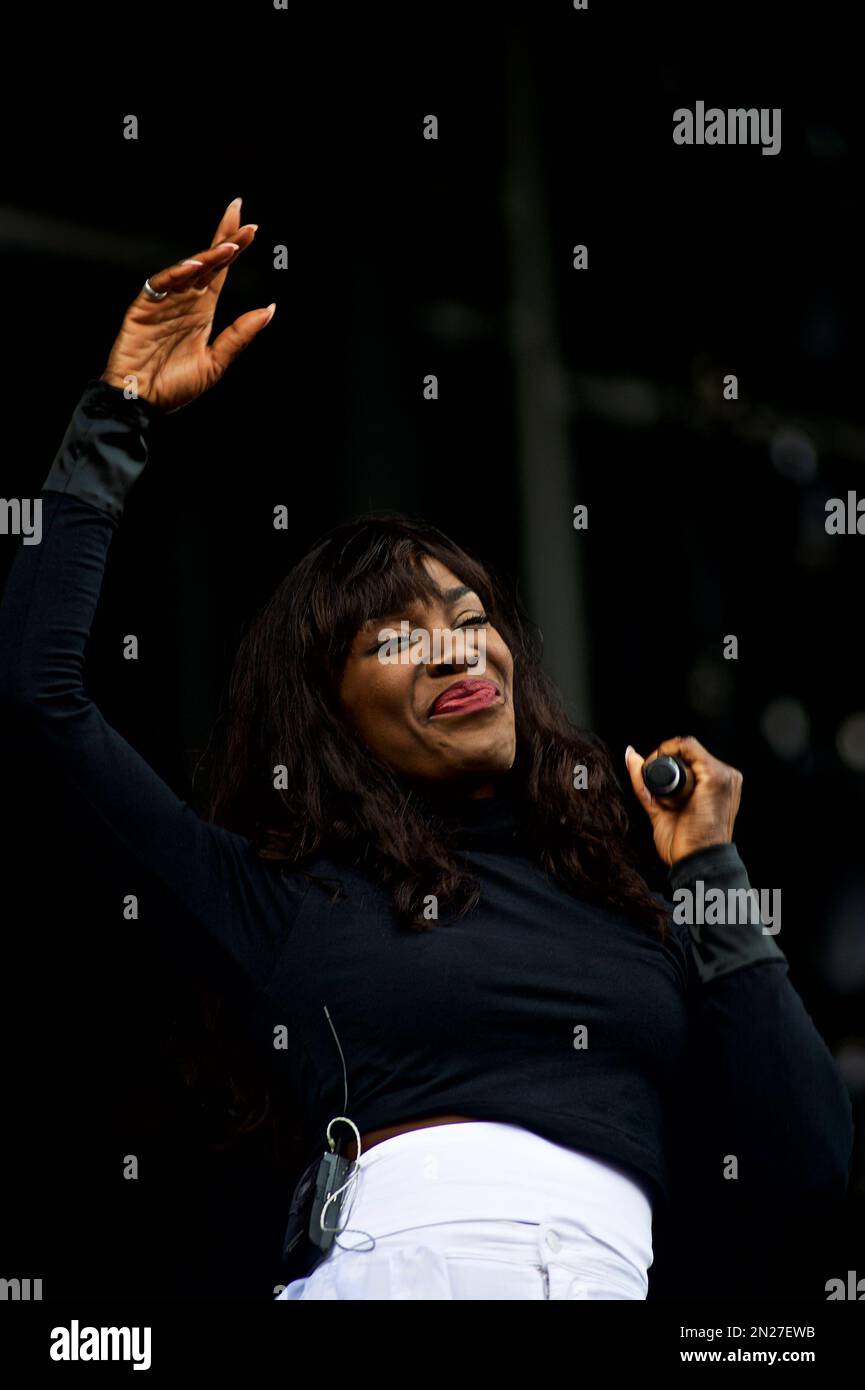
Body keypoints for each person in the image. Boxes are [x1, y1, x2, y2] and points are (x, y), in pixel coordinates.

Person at [0, 198, 853, 1301]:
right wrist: (115, 416)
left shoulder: (632, 904)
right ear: (330, 712)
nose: (454, 651)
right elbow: (38, 694)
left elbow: (811, 1158)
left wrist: (712, 871)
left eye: (468, 614)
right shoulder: (283, 899)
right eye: (397, 635)